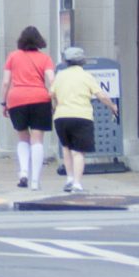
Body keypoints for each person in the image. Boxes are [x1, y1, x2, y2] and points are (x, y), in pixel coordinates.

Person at [1, 27, 56, 190]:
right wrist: (54, 100)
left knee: (23, 137)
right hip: (40, 97)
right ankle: (35, 180)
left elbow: (5, 82)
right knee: (37, 139)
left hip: (16, 98)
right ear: (39, 40)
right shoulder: (45, 58)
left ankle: (23, 172)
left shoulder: (12, 56)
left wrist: (3, 103)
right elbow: (52, 80)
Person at [47, 46, 102, 195]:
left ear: (66, 61)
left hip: (61, 117)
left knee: (66, 149)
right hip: (81, 116)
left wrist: (54, 108)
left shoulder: (60, 75)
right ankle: (77, 183)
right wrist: (112, 106)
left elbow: (51, 95)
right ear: (82, 61)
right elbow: (100, 94)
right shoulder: (86, 76)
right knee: (78, 152)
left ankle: (69, 179)